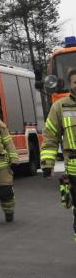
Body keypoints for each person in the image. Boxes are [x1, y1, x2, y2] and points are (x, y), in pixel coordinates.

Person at [41, 68, 76, 241]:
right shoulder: (60, 107)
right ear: (70, 83)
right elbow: (50, 137)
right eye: (75, 81)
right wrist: (48, 164)